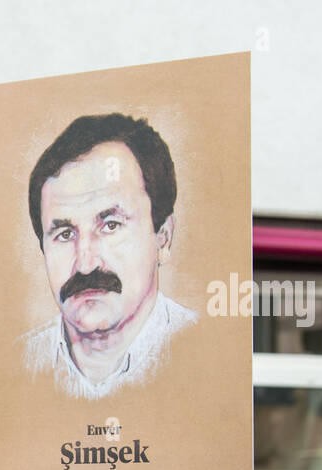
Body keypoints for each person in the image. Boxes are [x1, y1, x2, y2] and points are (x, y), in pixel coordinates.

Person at [19, 113, 196, 400]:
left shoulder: (207, 354)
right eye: (64, 234)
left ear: (163, 237)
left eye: (111, 225)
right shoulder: (18, 364)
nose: (87, 264)